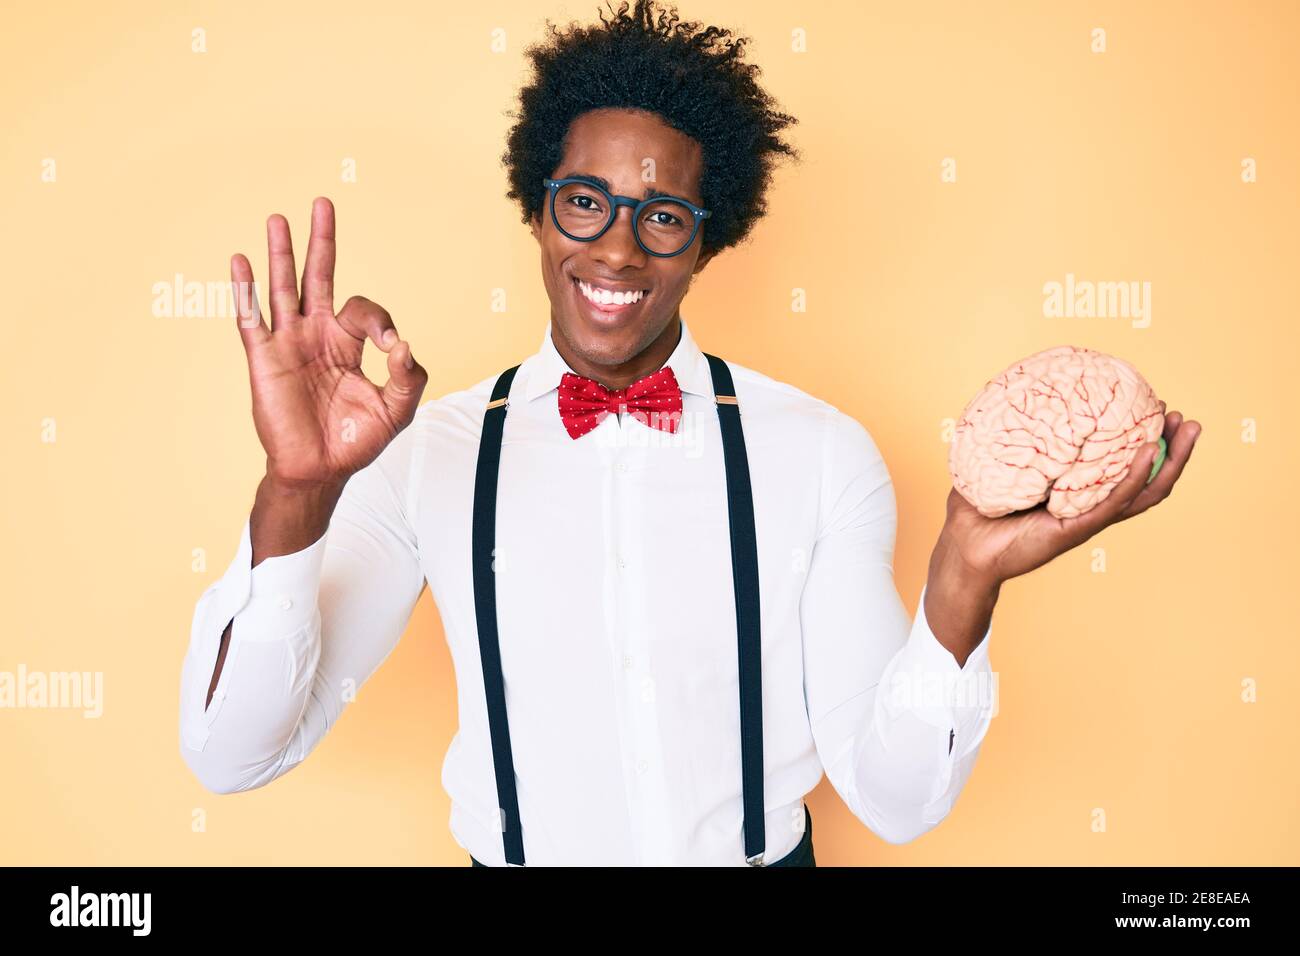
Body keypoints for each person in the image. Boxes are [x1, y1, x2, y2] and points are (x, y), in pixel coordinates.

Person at [177, 0, 1200, 866]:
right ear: (539, 213)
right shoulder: (422, 453)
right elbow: (230, 755)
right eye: (584, 203)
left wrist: (961, 585)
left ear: (710, 237)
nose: (617, 250)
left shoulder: (819, 452)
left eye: (663, 215)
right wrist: (295, 493)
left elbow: (893, 800)